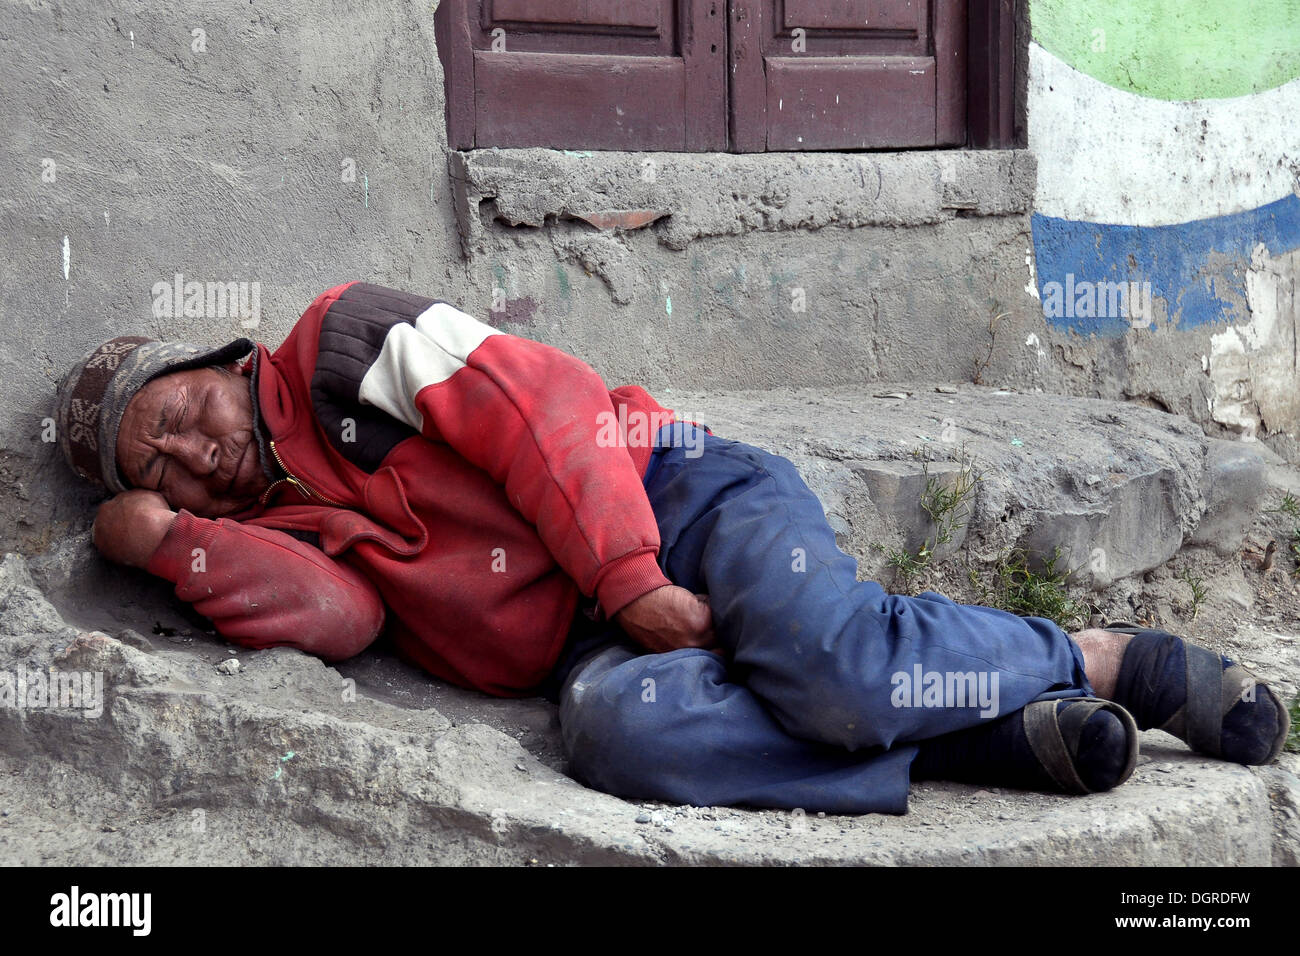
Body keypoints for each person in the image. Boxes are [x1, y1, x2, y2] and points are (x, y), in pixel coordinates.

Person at [54, 281, 1290, 815]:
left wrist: (629, 574)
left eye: (177, 421)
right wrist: (170, 546)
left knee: (830, 657)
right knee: (619, 732)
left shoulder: (340, 342)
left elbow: (548, 406)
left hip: (674, 489)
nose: (188, 457)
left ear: (215, 361)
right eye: (152, 469)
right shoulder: (262, 527)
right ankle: (974, 732)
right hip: (592, 644)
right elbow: (343, 620)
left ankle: (1102, 654)